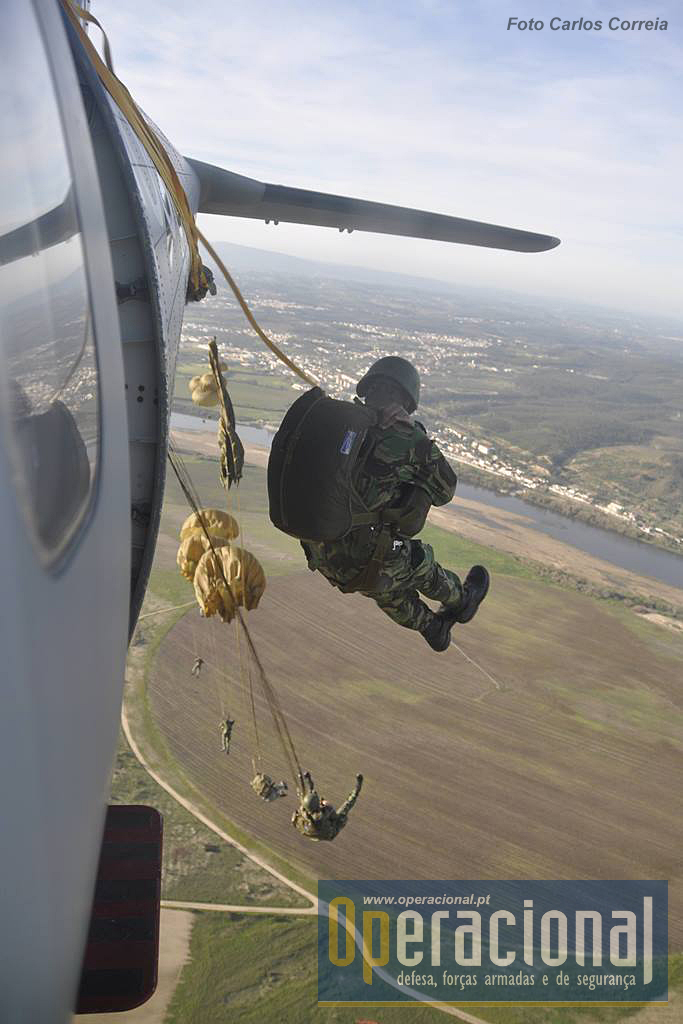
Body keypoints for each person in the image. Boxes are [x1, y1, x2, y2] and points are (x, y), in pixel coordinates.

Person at [300, 357, 489, 652]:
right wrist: (417, 436)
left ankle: (433, 627)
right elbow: (445, 489)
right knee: (415, 563)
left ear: (368, 389)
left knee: (382, 585)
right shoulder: (406, 438)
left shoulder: (337, 423)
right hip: (369, 562)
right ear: (405, 399)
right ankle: (462, 602)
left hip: (325, 560)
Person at [291, 770, 363, 842]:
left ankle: (309, 782)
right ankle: (357, 789)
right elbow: (334, 816)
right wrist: (327, 806)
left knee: (308, 800)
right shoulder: (321, 816)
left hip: (313, 833)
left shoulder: (302, 812)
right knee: (346, 808)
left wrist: (308, 781)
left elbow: (305, 799)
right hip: (329, 833)